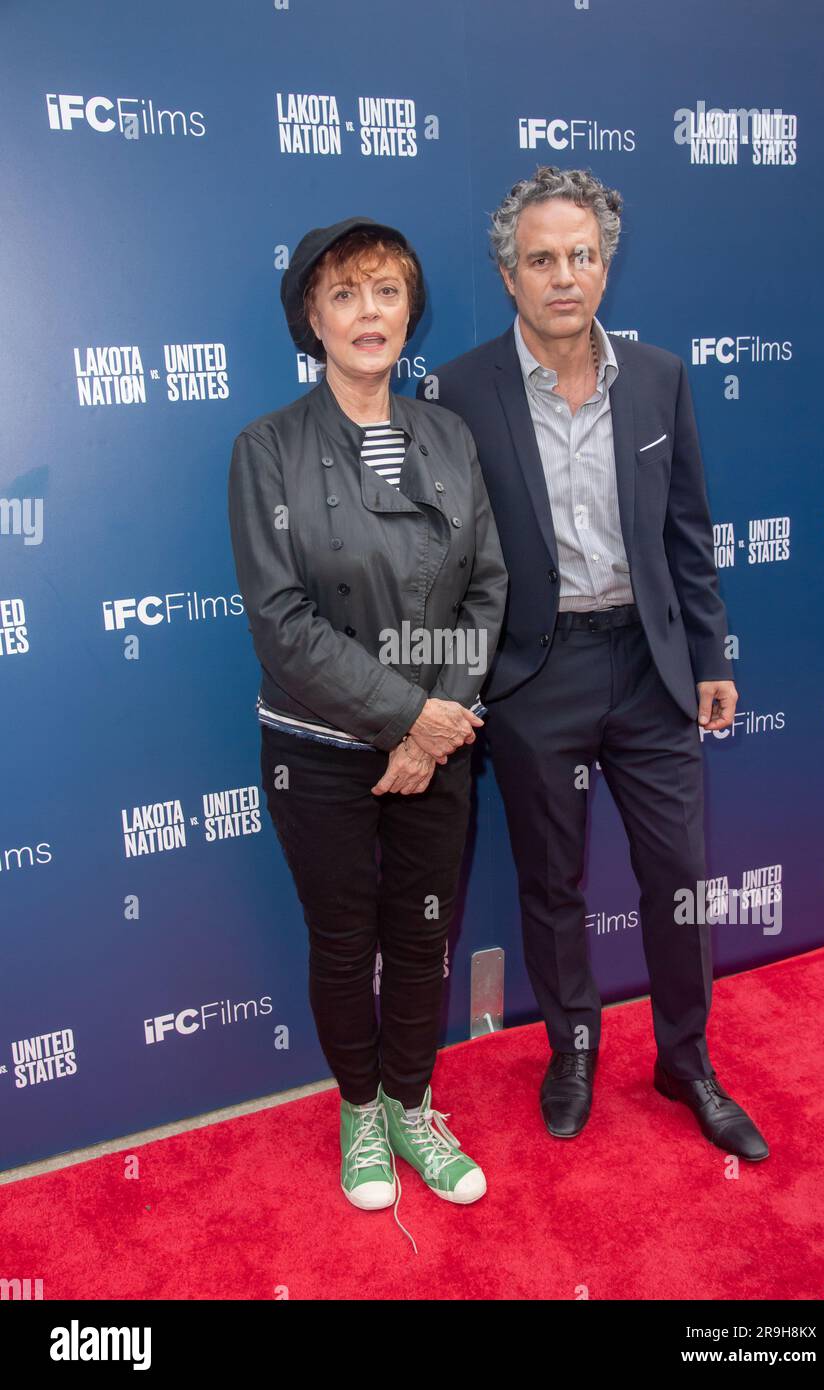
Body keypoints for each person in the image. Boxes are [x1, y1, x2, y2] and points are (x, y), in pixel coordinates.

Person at [419, 167, 769, 1162]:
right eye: (540, 260)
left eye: (579, 256)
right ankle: (569, 1049)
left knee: (679, 874)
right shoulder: (457, 392)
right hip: (534, 674)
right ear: (507, 274)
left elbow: (686, 533)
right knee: (551, 881)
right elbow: (444, 558)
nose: (562, 276)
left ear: (603, 269)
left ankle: (686, 1059)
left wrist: (709, 652)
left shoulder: (657, 376)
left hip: (650, 666)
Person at [228, 217, 508, 1240]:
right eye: (343, 294)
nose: (368, 313)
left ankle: (410, 1104)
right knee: (346, 943)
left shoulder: (445, 436)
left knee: (423, 936)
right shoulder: (267, 449)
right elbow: (282, 623)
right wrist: (408, 714)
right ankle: (357, 1112)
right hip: (321, 747)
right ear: (310, 315)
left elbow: (488, 583)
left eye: (385, 291)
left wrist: (432, 729)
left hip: (435, 743)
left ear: (408, 309)